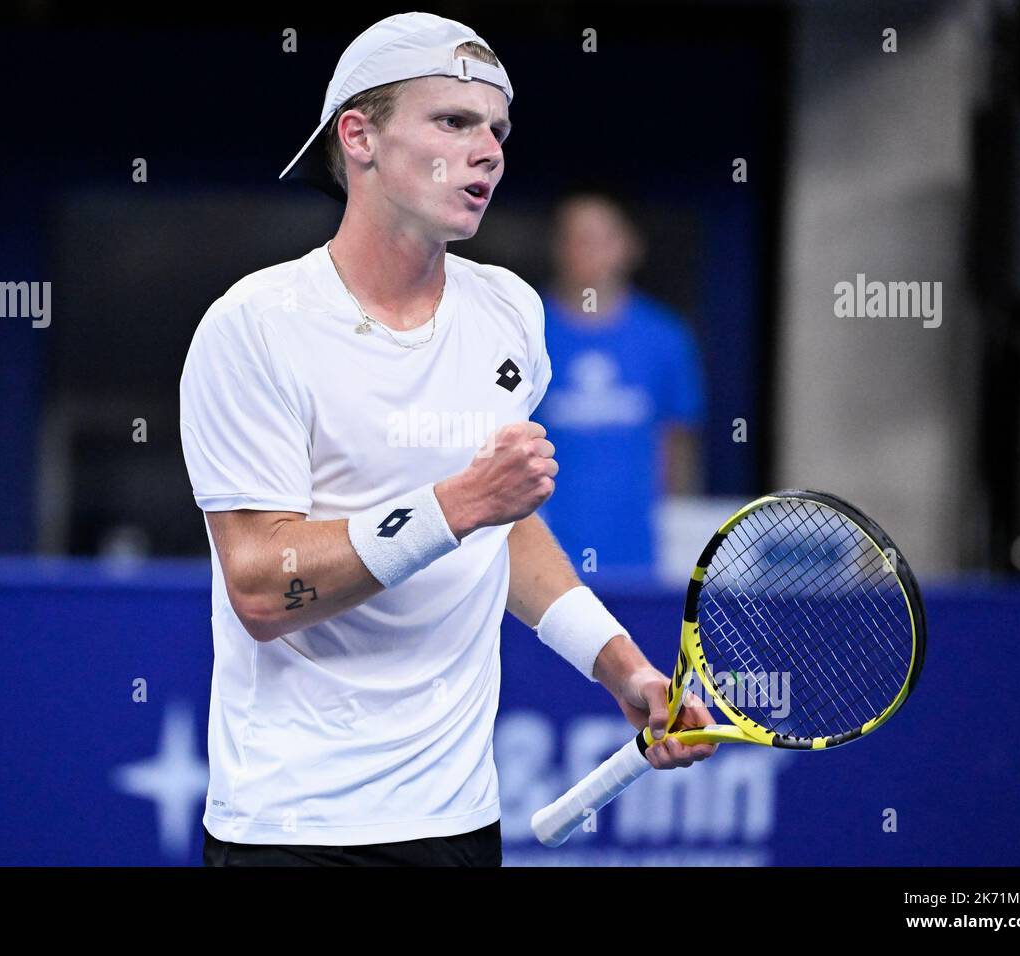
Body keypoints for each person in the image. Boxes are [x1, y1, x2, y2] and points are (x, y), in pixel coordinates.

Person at [179, 12, 717, 869]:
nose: (490, 150)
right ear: (358, 136)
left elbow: (504, 531)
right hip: (298, 833)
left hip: (462, 823)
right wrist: (461, 502)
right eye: (454, 121)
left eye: (498, 129)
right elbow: (258, 589)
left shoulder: (509, 312)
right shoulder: (254, 326)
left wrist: (623, 668)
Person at [533, 190, 707, 576]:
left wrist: (677, 526)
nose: (588, 251)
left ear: (629, 246)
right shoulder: (525, 331)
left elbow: (677, 441)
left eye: (601, 238)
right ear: (557, 247)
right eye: (575, 238)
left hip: (637, 554)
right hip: (543, 552)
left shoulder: (664, 337)